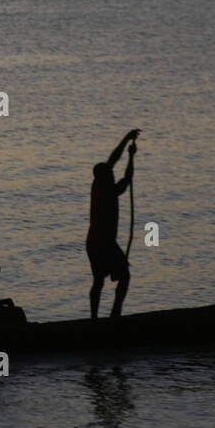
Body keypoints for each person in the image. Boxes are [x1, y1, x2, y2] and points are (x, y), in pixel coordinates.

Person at [86, 129, 140, 319]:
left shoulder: (98, 183)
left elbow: (113, 159)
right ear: (105, 177)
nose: (112, 174)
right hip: (103, 244)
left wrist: (126, 140)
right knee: (124, 276)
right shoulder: (108, 190)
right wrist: (131, 157)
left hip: (93, 243)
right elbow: (126, 180)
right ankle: (114, 314)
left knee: (98, 281)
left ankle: (95, 318)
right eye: (110, 174)